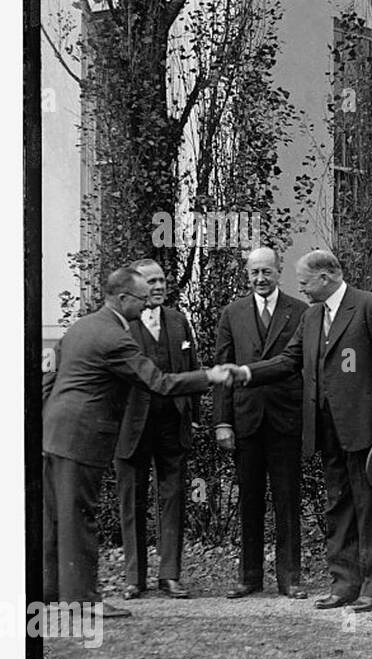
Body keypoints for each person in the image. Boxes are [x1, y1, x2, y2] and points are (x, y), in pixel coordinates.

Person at [43, 267, 232, 619]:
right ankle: (82, 602)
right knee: (79, 517)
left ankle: (53, 593)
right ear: (123, 298)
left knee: (57, 518)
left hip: (57, 434)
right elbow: (158, 382)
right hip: (82, 437)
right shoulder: (116, 337)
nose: (146, 303)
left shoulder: (82, 326)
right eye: (141, 298)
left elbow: (50, 381)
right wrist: (209, 375)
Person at [232, 250, 372, 613]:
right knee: (337, 506)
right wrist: (246, 373)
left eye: (305, 282)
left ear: (327, 277)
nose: (301, 288)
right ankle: (344, 585)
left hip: (365, 428)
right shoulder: (312, 316)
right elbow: (288, 361)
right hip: (326, 430)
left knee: (370, 507)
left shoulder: (368, 307)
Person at [213, 247, 309, 600]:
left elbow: (305, 368)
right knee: (249, 501)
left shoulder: (300, 311)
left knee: (287, 501)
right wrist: (223, 422)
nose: (260, 279)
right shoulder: (232, 313)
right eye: (254, 272)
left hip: (285, 420)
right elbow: (223, 370)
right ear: (247, 274)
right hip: (246, 420)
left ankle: (289, 578)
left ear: (279, 271)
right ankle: (249, 576)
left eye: (267, 271)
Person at [114, 258, 202, 599]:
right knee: (131, 500)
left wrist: (192, 415)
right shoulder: (121, 324)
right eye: (151, 281)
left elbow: (191, 368)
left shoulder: (179, 322)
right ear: (135, 287)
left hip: (171, 424)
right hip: (131, 425)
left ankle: (170, 575)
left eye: (162, 280)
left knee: (173, 498)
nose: (159, 286)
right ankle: (134, 578)